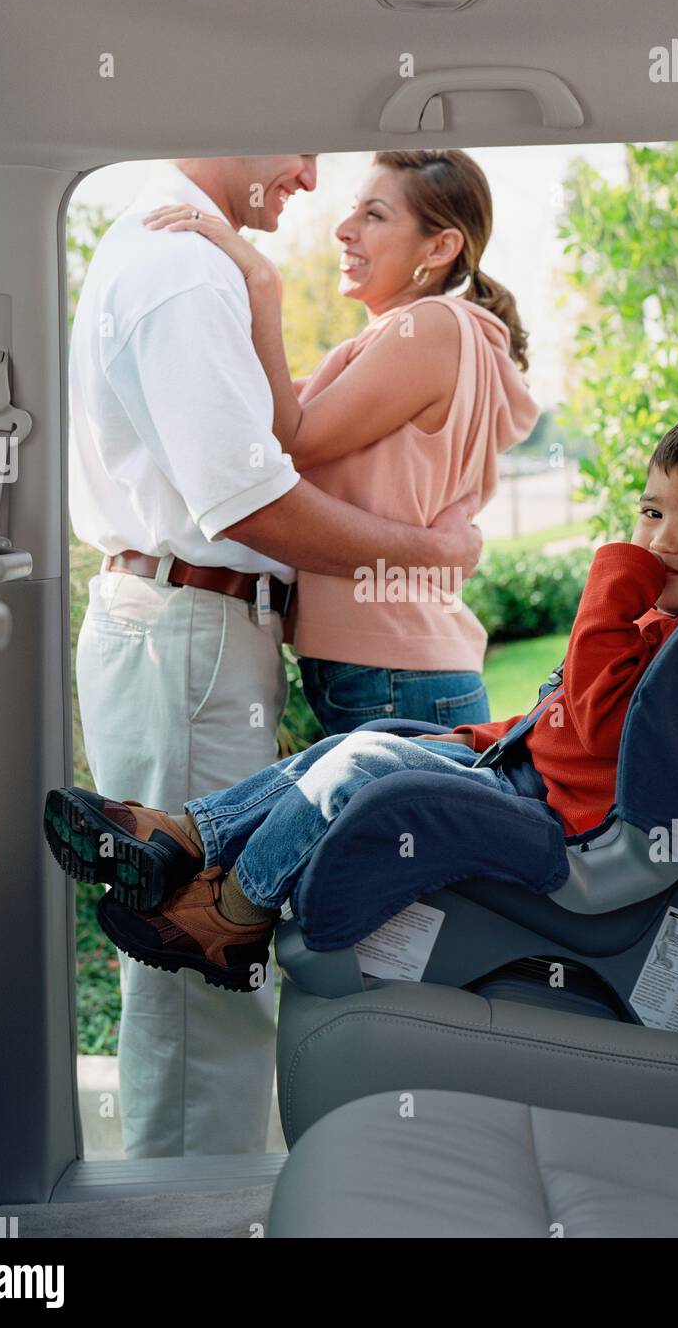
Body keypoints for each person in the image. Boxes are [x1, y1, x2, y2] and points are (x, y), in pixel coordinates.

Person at [51, 408, 678, 992]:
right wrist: (483, 738)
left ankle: (232, 917)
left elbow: (598, 733)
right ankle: (186, 838)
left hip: (573, 828)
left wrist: (611, 581)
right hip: (521, 772)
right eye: (650, 513)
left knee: (361, 771)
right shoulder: (665, 625)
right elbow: (564, 712)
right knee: (347, 745)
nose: (661, 540)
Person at [68, 155, 482, 1158]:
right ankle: (191, 1217)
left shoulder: (199, 258)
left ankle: (219, 1190)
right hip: (188, 626)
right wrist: (428, 553)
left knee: (206, 953)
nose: (307, 176)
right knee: (194, 964)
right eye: (297, 144)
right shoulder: (185, 267)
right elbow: (251, 499)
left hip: (193, 627)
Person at [141, 150, 538, 737]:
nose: (343, 229)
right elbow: (262, 407)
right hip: (393, 665)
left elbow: (288, 437)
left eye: (374, 215)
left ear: (439, 248)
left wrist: (262, 283)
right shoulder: (399, 337)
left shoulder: (429, 329)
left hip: (395, 667)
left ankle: (186, 835)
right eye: (354, 210)